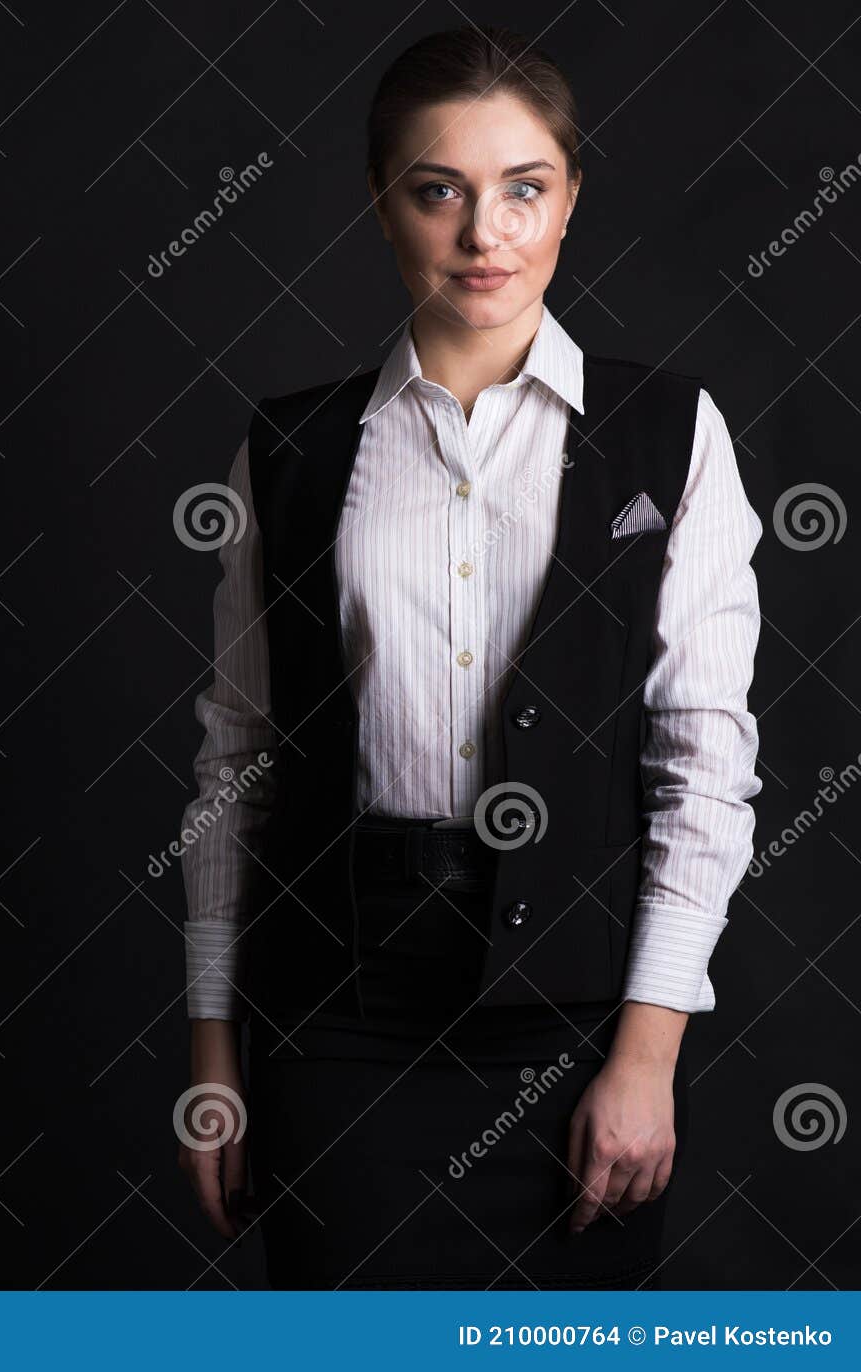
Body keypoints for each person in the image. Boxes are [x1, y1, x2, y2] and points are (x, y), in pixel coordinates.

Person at [174, 25, 762, 1289]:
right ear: (385, 206)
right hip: (333, 1019)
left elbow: (701, 769)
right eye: (438, 190)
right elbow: (238, 764)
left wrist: (646, 1059)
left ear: (568, 202)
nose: (483, 234)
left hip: (575, 1020)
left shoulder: (672, 434)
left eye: (523, 189)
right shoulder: (287, 454)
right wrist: (214, 1049)